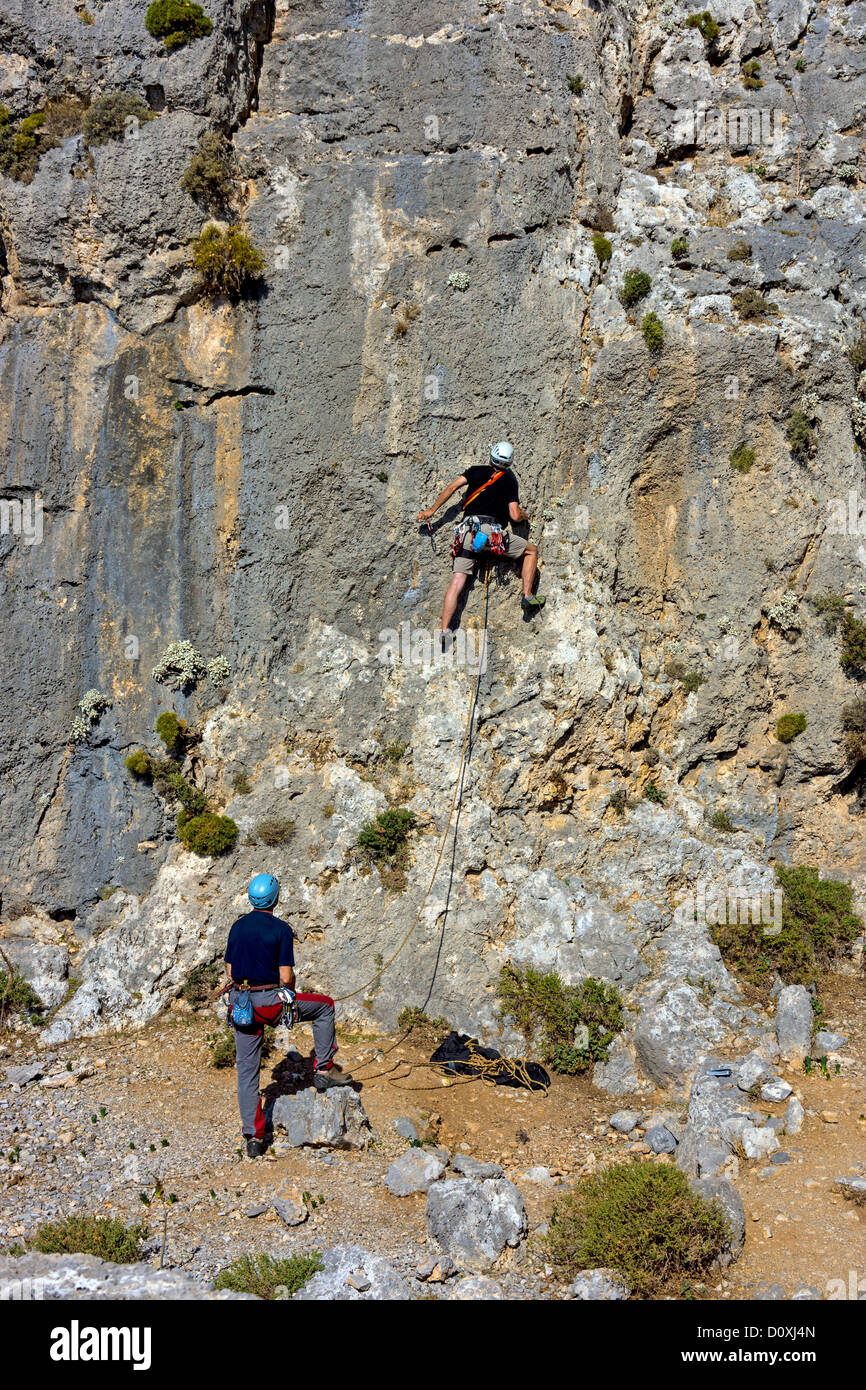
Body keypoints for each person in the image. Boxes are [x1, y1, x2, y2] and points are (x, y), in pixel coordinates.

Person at [224, 872, 352, 1158]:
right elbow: (285, 976)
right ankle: (322, 1070)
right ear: (276, 898)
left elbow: (231, 972)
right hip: (270, 1002)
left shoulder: (237, 927)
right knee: (325, 1006)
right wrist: (290, 994)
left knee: (247, 1072)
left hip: (242, 1006)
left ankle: (254, 1138)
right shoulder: (281, 929)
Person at [416, 440, 546, 636]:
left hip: (466, 532)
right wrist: (525, 515)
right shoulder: (509, 480)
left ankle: (443, 630)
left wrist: (432, 510)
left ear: (491, 456)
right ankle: (527, 596)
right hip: (491, 532)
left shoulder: (475, 471)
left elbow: (452, 488)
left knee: (457, 582)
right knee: (531, 550)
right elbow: (514, 515)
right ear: (509, 462)